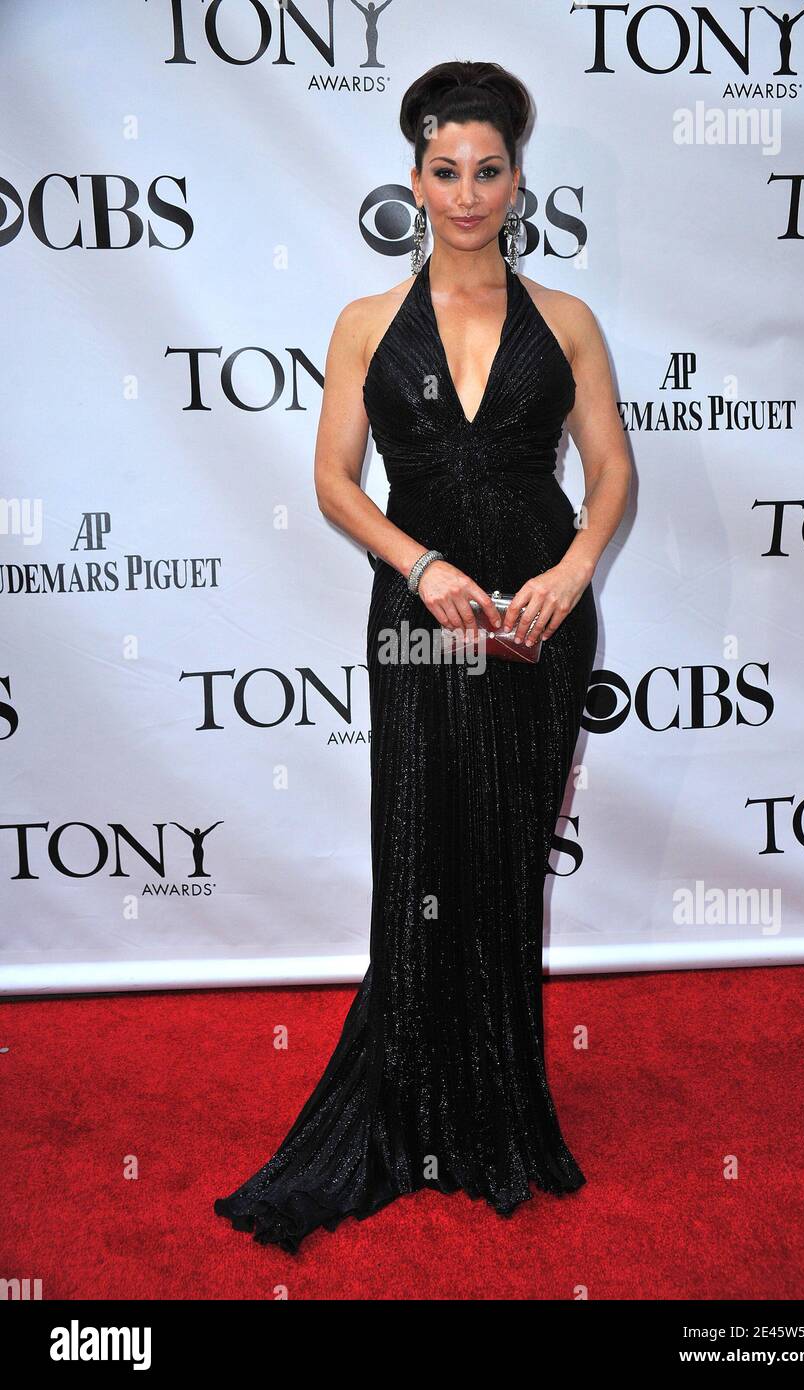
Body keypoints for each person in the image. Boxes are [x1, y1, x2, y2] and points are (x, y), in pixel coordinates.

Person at [214, 60, 630, 1256]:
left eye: (488, 170)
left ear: (516, 179)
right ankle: (408, 1100)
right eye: (445, 170)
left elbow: (609, 475)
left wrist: (573, 571)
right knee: (420, 847)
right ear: (413, 179)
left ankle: (500, 1107)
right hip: (420, 618)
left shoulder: (568, 322)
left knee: (503, 857)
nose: (467, 192)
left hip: (540, 623)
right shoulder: (362, 326)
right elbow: (334, 481)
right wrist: (422, 565)